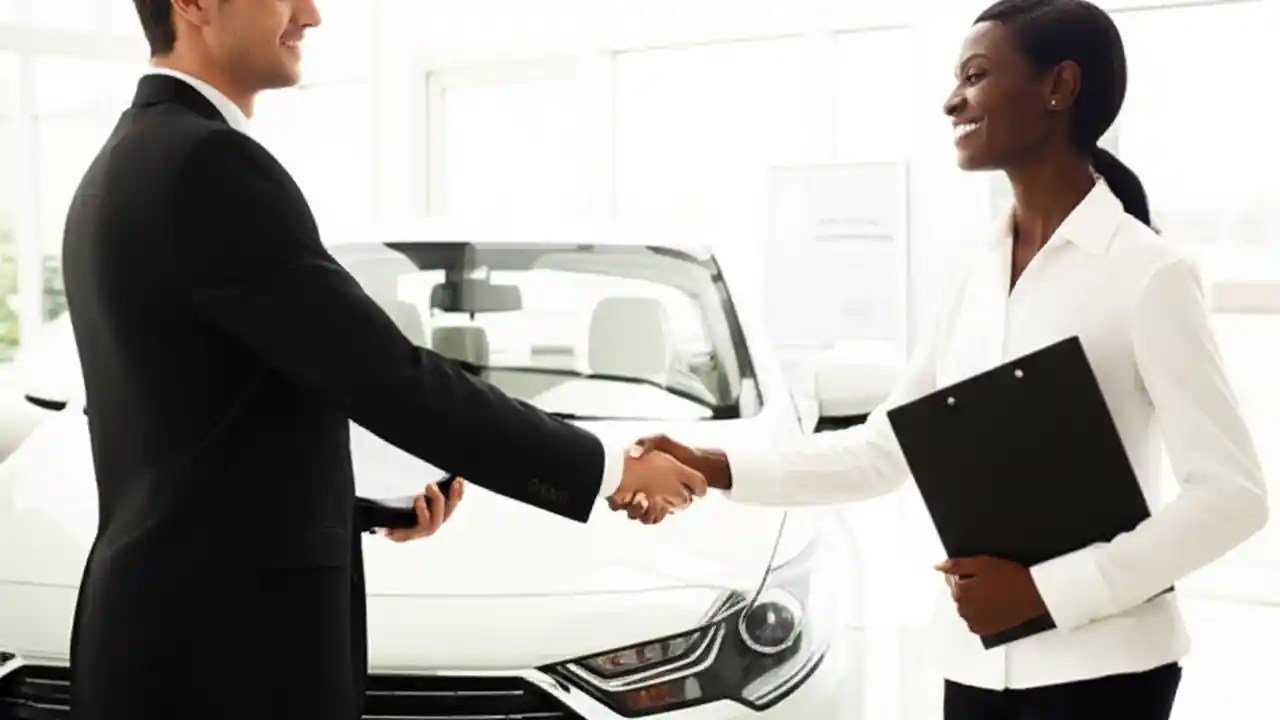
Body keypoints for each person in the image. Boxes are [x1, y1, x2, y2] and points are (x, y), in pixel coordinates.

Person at [622, 1, 1269, 717]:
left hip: (1106, 673)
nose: (952, 100)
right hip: (974, 664)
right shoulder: (973, 275)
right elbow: (884, 450)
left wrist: (1047, 593)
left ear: (1058, 87)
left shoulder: (1150, 275)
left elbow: (1231, 498)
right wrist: (713, 465)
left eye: (976, 75)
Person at [61, 1, 704, 719]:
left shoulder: (125, 161)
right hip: (224, 658)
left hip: (167, 633)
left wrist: (366, 504)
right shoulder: (209, 164)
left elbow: (207, 419)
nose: (311, 14)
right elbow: (384, 375)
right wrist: (610, 469)